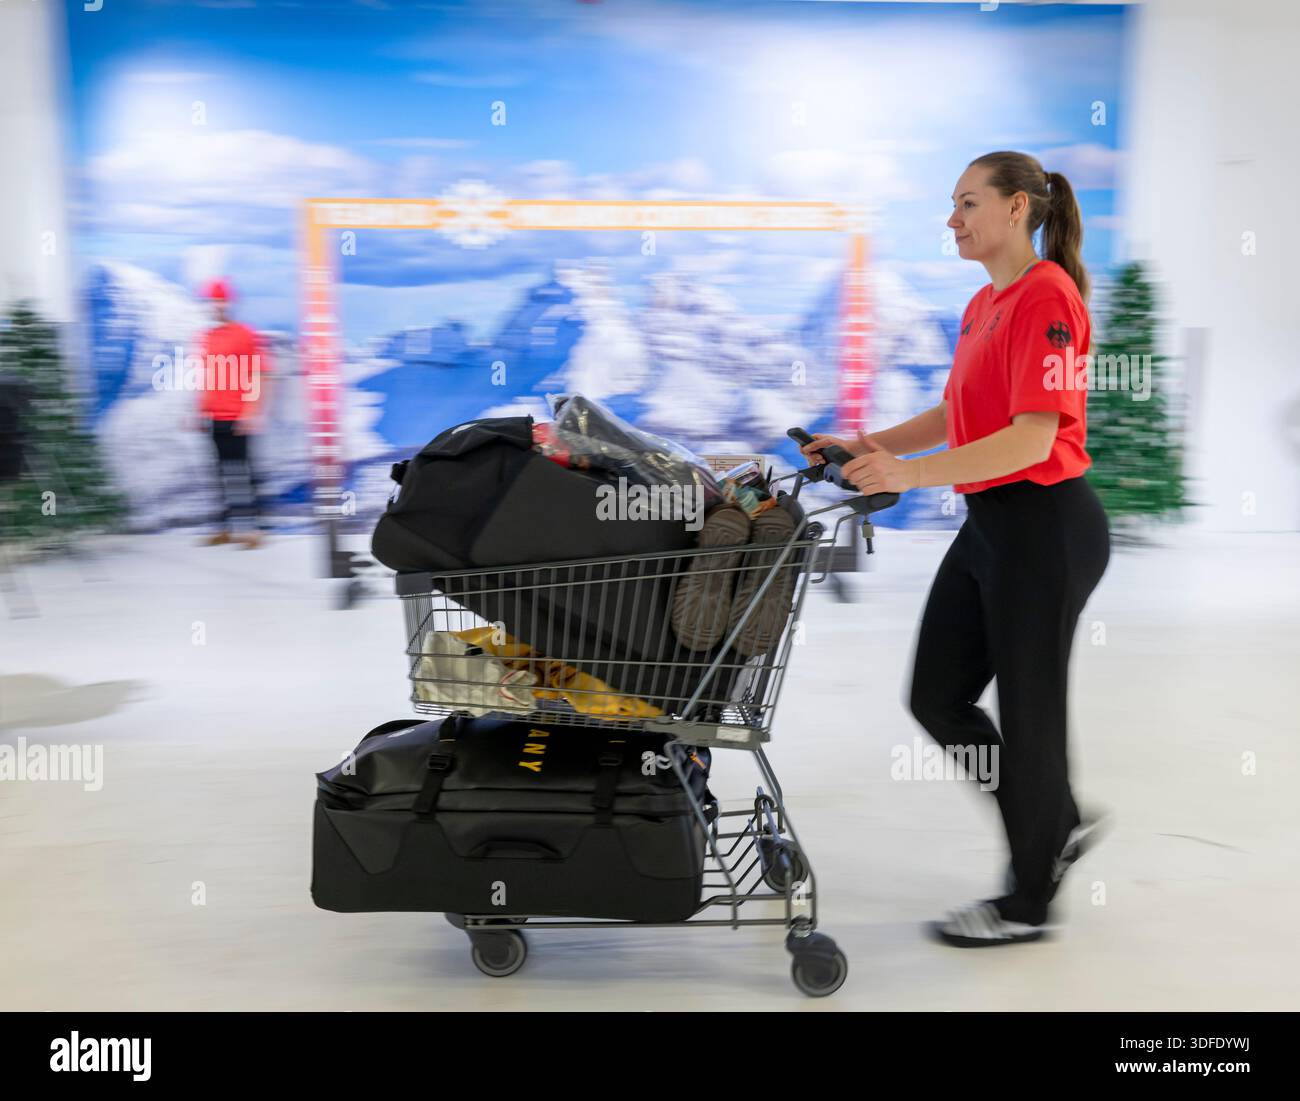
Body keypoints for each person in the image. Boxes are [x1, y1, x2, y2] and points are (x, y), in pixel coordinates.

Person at [803, 151, 1111, 947]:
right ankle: (1054, 821)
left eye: (968, 202)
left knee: (1031, 716)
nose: (952, 219)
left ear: (1017, 210)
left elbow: (1030, 437)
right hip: (992, 525)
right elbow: (955, 413)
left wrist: (909, 474)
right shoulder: (984, 304)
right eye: (951, 204)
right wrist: (862, 444)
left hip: (1044, 526)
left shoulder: (1051, 298)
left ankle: (1028, 900)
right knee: (937, 695)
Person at [194, 278, 270, 549]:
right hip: (213, 416)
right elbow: (208, 376)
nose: (216, 306)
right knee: (220, 474)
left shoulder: (245, 334)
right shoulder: (207, 337)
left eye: (221, 300)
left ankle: (255, 530)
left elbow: (259, 373)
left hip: (237, 416)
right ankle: (226, 527)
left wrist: (251, 410)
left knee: (244, 474)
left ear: (230, 302)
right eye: (212, 301)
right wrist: (199, 410)